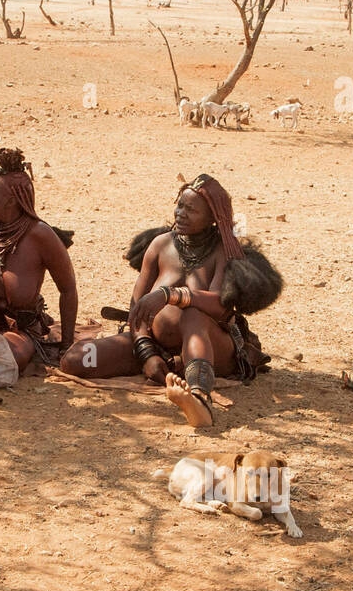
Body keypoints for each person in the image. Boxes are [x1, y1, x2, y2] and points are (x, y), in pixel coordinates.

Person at [61, 174, 282, 427]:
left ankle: (199, 398)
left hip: (211, 345)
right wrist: (146, 353)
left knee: (193, 313)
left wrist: (171, 295)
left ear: (212, 218)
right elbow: (137, 307)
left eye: (191, 210)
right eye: (180, 205)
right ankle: (173, 366)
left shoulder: (223, 251)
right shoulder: (160, 245)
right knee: (77, 359)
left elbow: (219, 306)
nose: (181, 213)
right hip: (156, 345)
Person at [0, 148, 77, 371]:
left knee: (7, 357)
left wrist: (66, 346)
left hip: (20, 332)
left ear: (10, 201)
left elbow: (68, 290)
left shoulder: (41, 236)